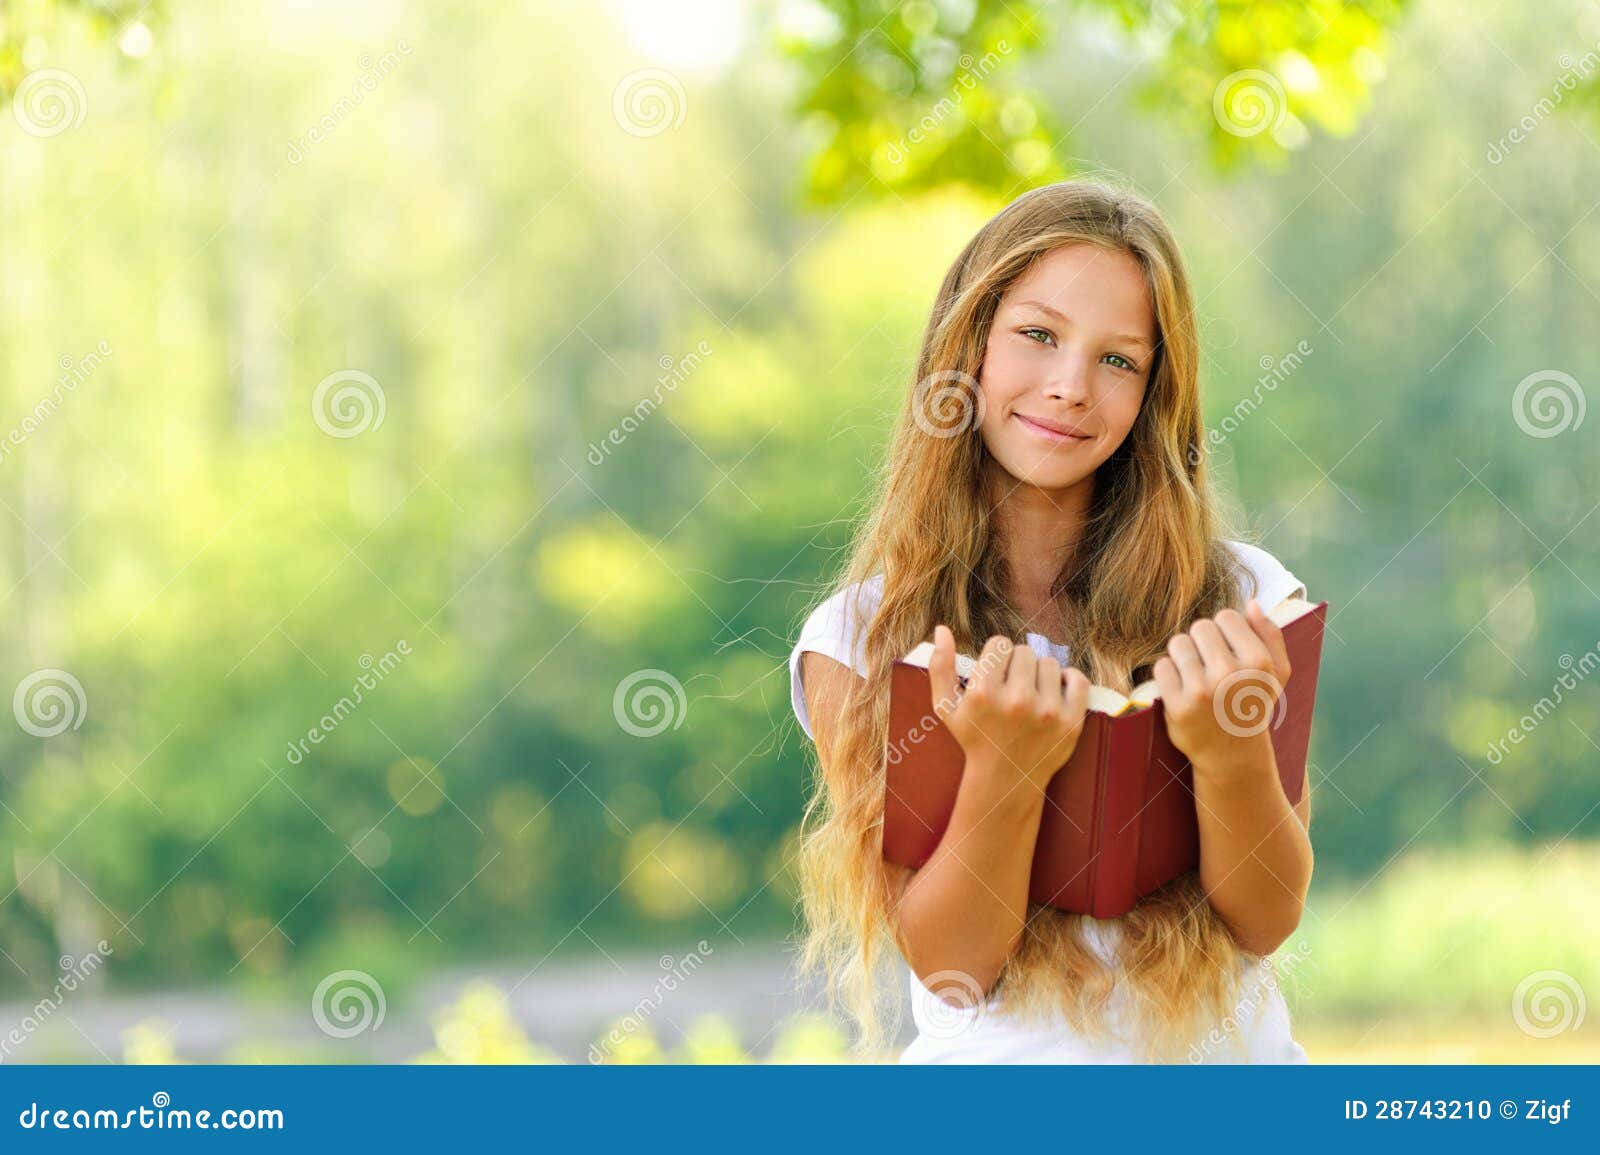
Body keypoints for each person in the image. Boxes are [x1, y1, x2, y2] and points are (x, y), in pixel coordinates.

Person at [788, 179, 1314, 1063]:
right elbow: (953, 967)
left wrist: (1230, 753)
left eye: (1119, 361)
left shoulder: (1247, 595)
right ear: (969, 344)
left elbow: (1267, 917)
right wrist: (1006, 770)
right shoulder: (859, 639)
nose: (1071, 387)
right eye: (1038, 335)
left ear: (1154, 393)